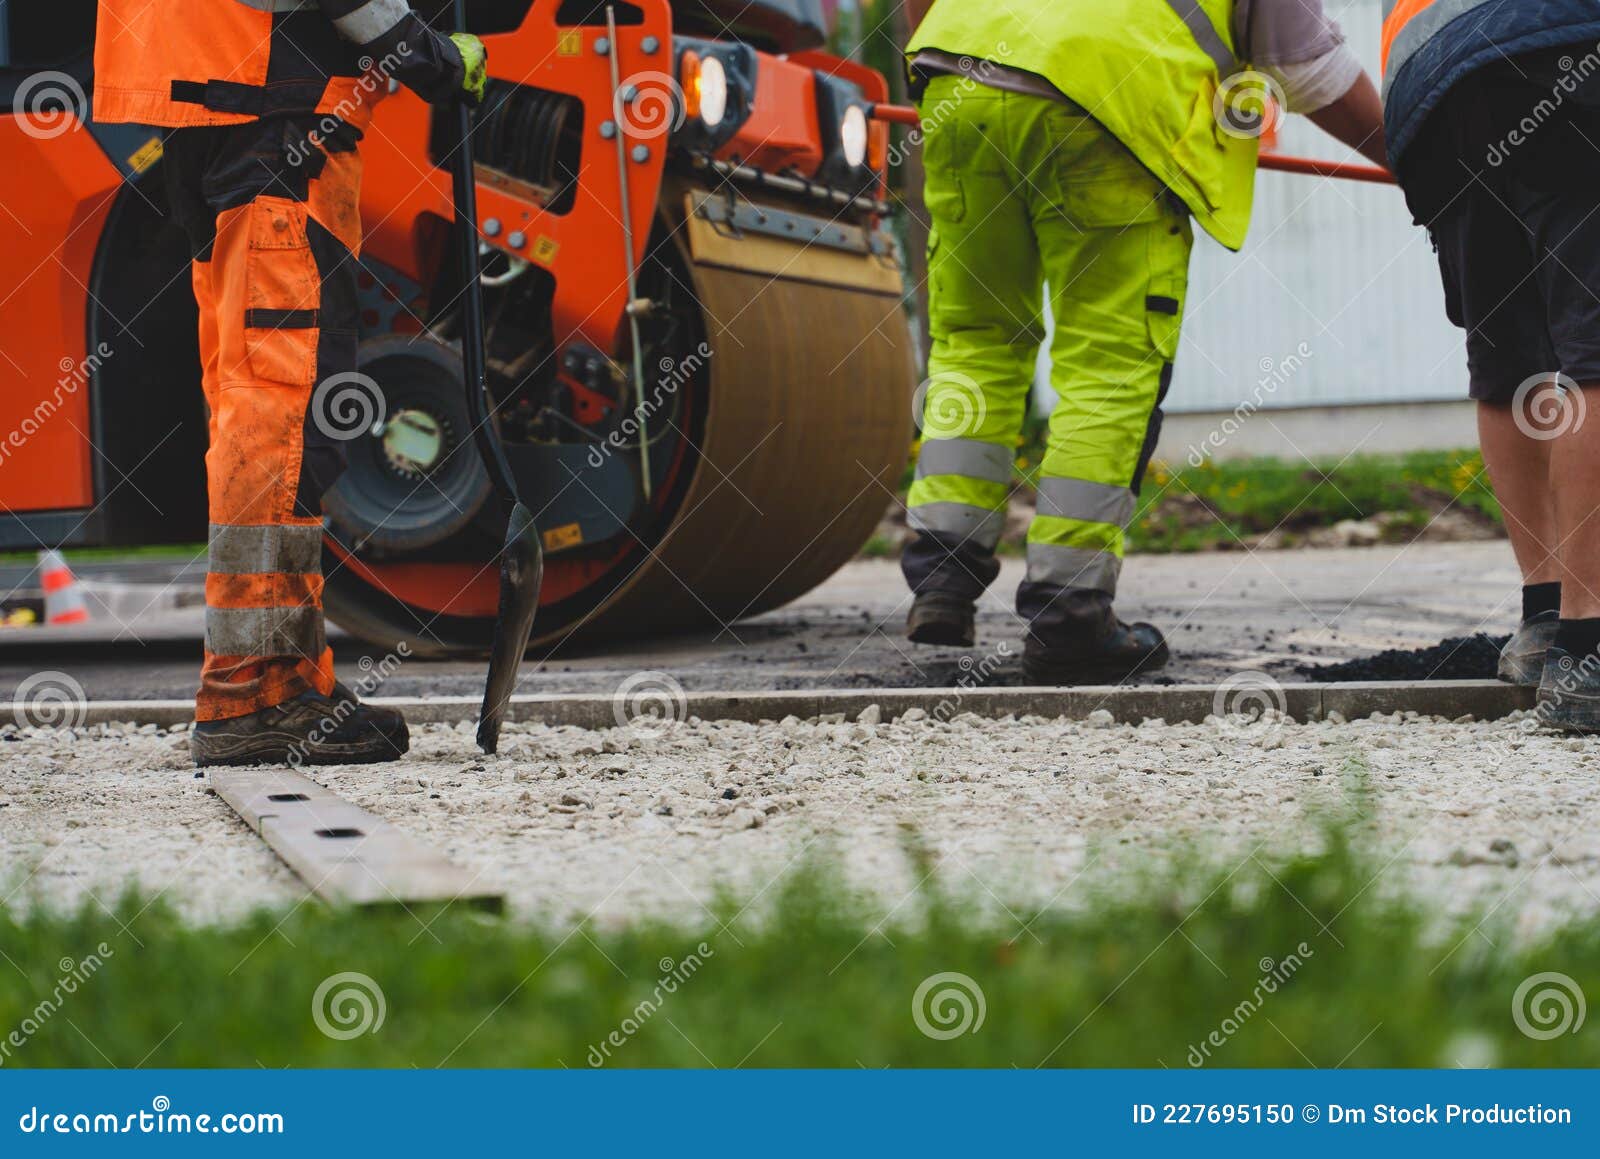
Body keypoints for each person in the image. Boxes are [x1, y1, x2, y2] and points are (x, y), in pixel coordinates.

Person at [899, 0, 1386, 683]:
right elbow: (1310, 67)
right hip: (1106, 106)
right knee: (1109, 361)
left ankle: (943, 576)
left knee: (976, 337)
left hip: (959, 82)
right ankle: (1069, 615)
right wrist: (1413, 157)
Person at [92, 1, 487, 765]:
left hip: (233, 116)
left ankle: (287, 678)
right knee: (276, 410)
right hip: (280, 127)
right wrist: (420, 47)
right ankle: (246, 693)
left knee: (265, 406)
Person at [1381, 1, 1600, 730]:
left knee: (1508, 357)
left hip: (1435, 94)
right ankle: (1588, 642)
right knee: (1593, 349)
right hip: (1565, 46)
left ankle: (1544, 624)